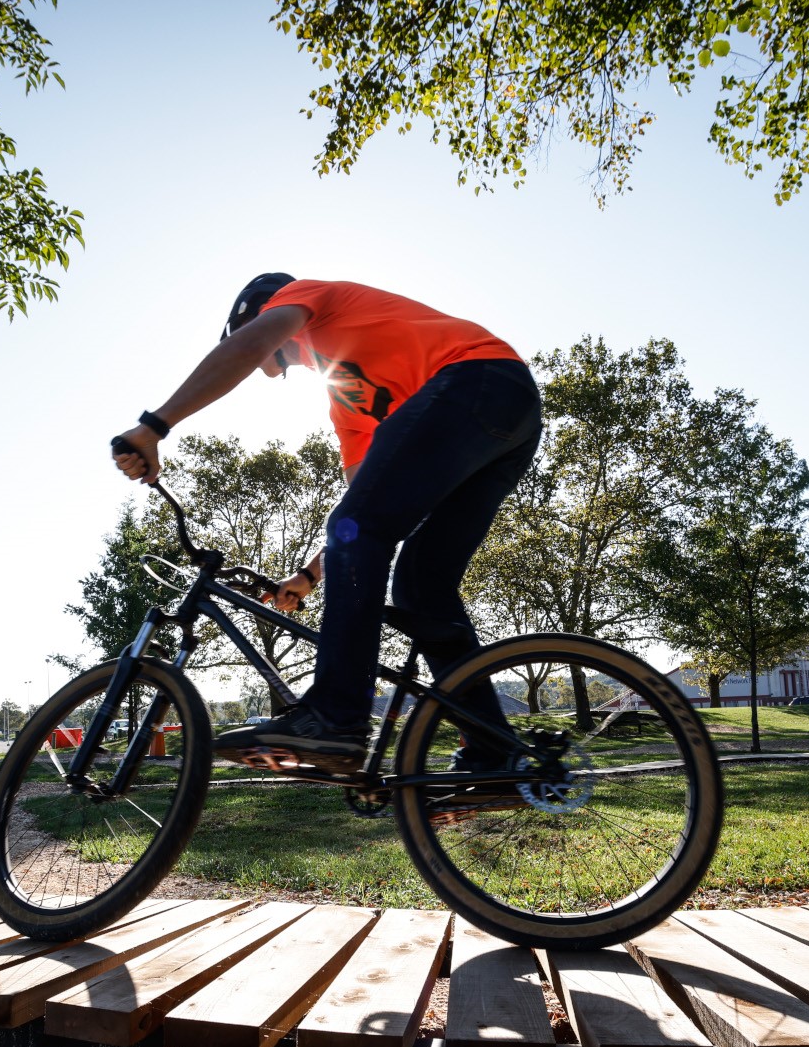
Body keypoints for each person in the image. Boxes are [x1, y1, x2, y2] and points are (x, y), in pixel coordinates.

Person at [112, 275, 540, 773]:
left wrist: (154, 426)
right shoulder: (348, 401)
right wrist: (310, 576)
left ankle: (336, 717)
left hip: (480, 379)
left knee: (380, 546)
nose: (253, 349)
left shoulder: (307, 295)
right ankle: (494, 755)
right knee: (421, 586)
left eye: (245, 331)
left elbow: (249, 345)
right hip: (508, 416)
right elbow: (361, 516)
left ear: (259, 312)